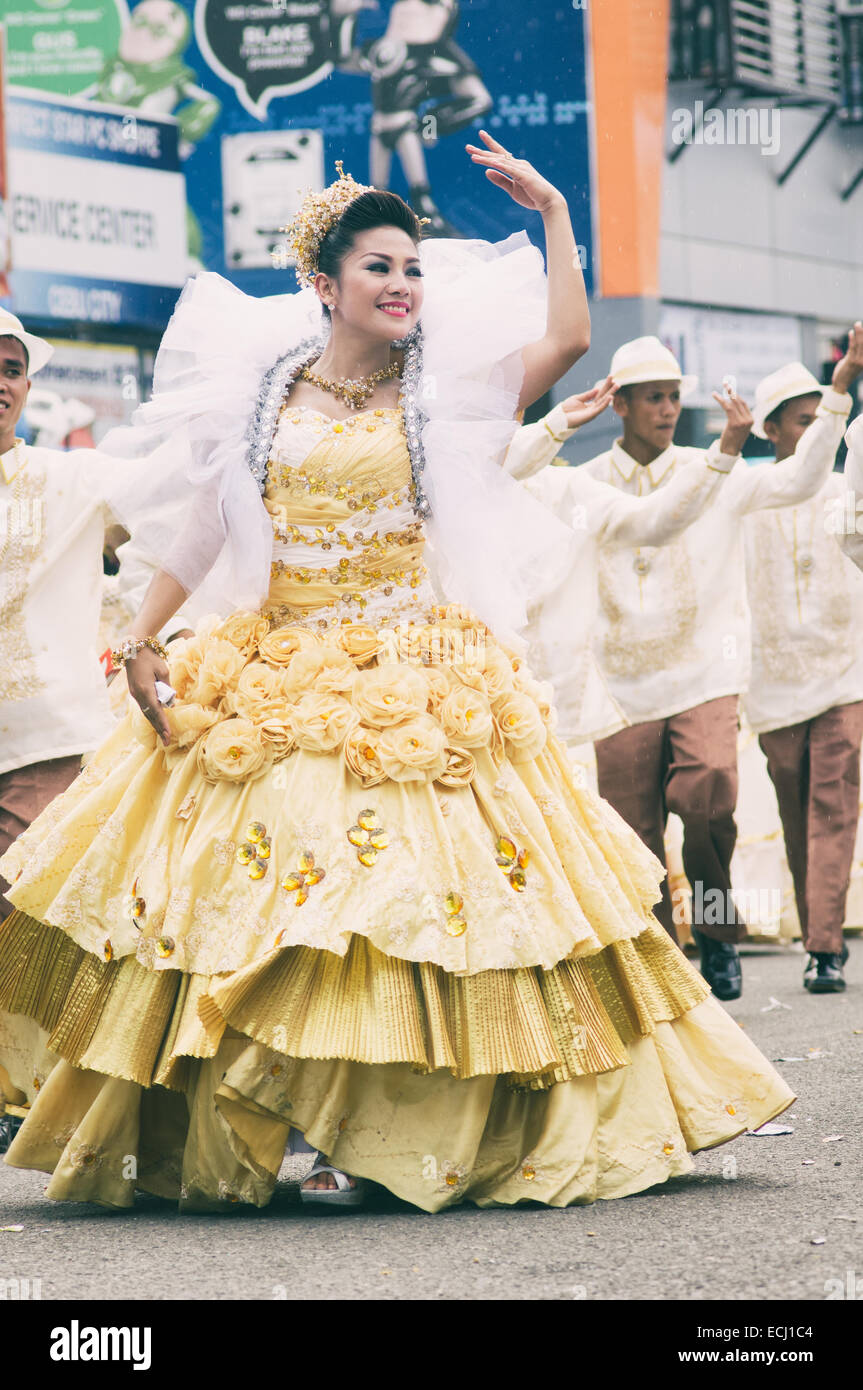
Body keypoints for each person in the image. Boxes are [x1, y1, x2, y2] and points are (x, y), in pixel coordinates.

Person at [0, 140, 793, 1213]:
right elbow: (204, 527)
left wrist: (556, 210)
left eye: (411, 268)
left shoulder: (443, 388)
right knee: (268, 910)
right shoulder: (265, 389)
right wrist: (142, 636)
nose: (402, 285)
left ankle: (387, 1131)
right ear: (322, 284)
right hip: (274, 672)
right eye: (377, 267)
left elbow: (562, 337)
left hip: (418, 677)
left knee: (401, 907)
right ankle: (275, 1115)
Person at [580, 336, 858, 1002]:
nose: (669, 409)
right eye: (655, 397)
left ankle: (715, 934)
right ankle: (664, 964)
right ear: (618, 404)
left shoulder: (715, 471)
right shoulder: (583, 485)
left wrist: (840, 388)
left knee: (705, 802)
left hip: (704, 675)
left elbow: (799, 479)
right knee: (634, 835)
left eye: (676, 396)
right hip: (619, 685)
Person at [0, 309, 126, 1144]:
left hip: (43, 738)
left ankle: (38, 1103)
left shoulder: (76, 482)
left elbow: (186, 511)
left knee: (35, 920)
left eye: (10, 367)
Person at [502, 381, 751, 751]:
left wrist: (724, 452)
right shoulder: (443, 492)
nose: (668, 409)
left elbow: (653, 520)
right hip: (473, 699)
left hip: (569, 711)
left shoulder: (571, 487)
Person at [741, 354, 863, 994]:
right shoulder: (746, 496)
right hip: (773, 682)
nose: (816, 430)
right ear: (769, 431)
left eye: (823, 419)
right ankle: (820, 931)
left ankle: (825, 949)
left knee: (833, 808)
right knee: (795, 814)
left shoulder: (849, 490)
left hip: (845, 672)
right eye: (801, 421)